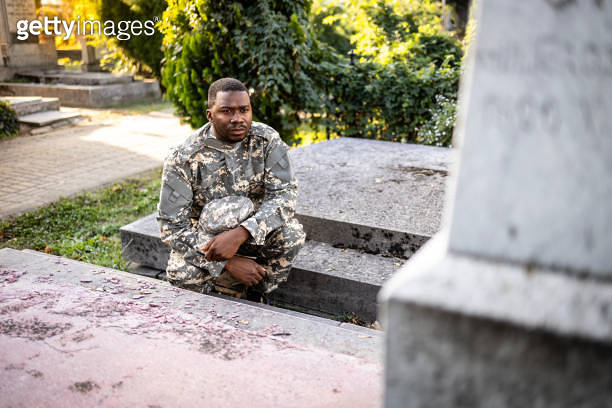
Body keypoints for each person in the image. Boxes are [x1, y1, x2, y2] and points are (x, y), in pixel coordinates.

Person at [157, 77, 305, 300]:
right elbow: (171, 226)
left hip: (253, 232)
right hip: (208, 240)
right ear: (210, 115)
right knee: (183, 277)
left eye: (244, 110)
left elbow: (284, 196)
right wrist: (227, 262)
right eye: (227, 111)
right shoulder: (184, 157)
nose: (238, 119)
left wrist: (242, 232)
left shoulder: (266, 141)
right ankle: (224, 284)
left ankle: (254, 293)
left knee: (291, 235)